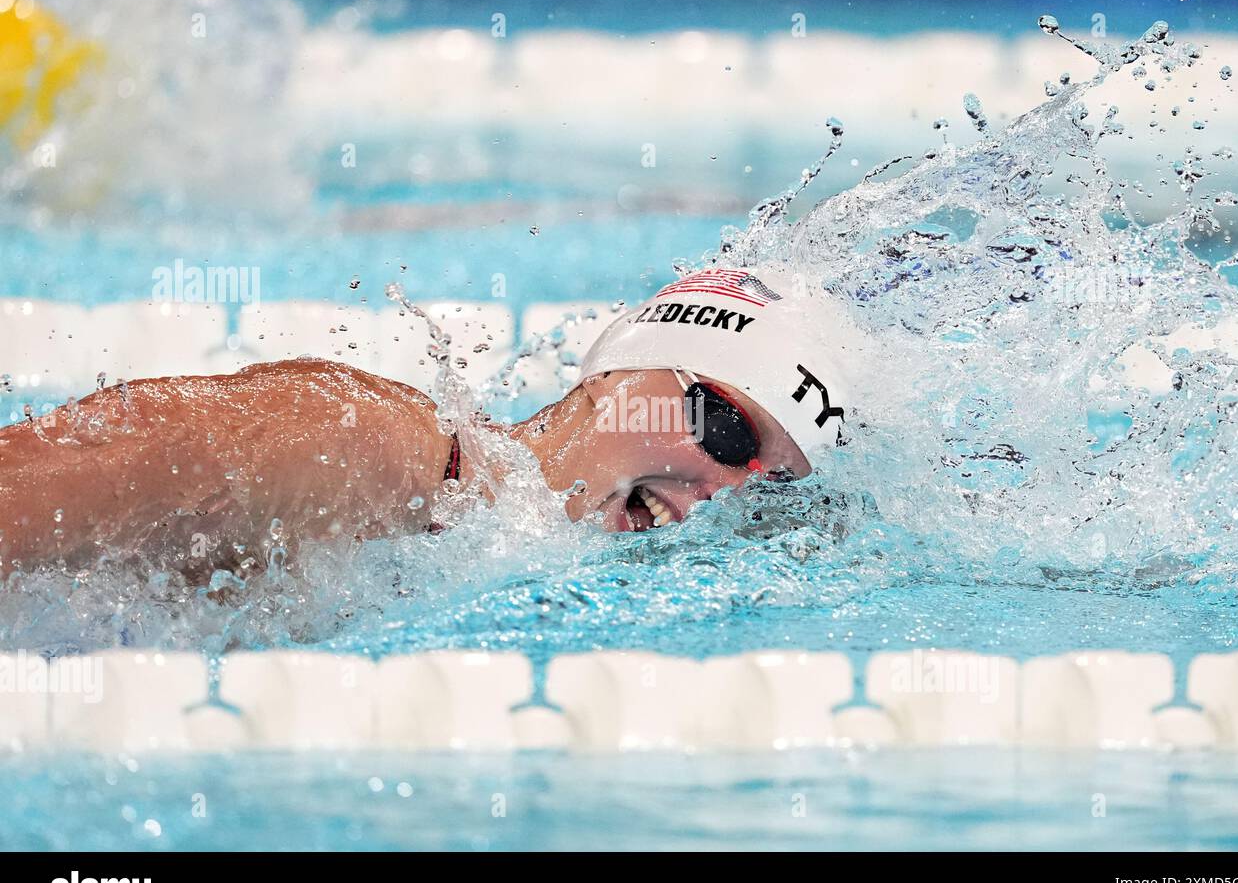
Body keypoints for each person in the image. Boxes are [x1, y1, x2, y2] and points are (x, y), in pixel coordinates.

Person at [0, 267, 854, 579]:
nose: (723, 492)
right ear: (623, 374)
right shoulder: (362, 442)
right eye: (730, 433)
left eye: (771, 486)